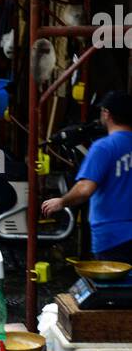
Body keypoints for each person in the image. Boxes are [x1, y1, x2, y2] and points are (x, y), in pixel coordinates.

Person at [43, 91, 132, 259]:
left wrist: (62, 201)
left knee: (115, 285)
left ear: (107, 114)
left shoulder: (105, 147)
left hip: (112, 236)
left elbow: (84, 189)